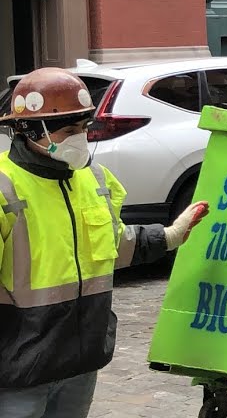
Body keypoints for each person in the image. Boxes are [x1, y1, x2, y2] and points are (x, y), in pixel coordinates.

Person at [0, 68, 209, 418]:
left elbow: (112, 246)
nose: (80, 139)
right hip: (18, 371)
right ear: (31, 132)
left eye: (83, 129)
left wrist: (170, 235)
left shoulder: (93, 179)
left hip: (80, 361)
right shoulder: (5, 188)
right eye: (70, 131)